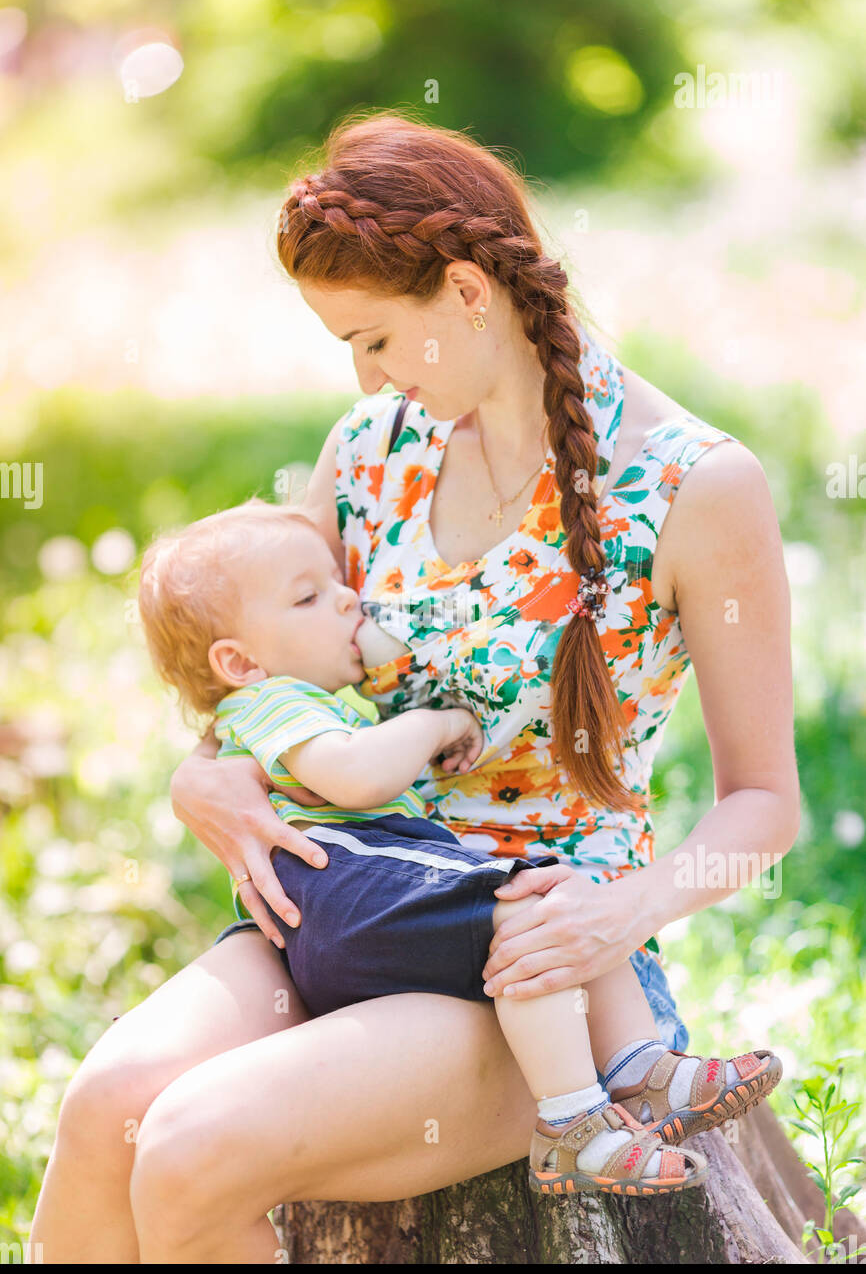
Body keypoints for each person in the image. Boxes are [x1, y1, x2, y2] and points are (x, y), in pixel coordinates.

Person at [30, 112, 799, 1261]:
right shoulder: (370, 449)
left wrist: (618, 914)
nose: (364, 374)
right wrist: (205, 778)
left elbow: (765, 806)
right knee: (106, 1112)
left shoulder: (691, 483)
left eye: (376, 338)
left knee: (191, 1143)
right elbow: (255, 670)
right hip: (338, 906)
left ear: (465, 291)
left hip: (527, 967)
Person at [135, 497, 783, 1196]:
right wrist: (438, 722)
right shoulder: (276, 702)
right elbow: (355, 775)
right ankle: (575, 1119)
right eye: (310, 597)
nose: (350, 599)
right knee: (530, 907)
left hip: (352, 901)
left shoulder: (283, 700)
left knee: (556, 900)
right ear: (239, 661)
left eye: (337, 582)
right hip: (346, 889)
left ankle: (640, 1069)